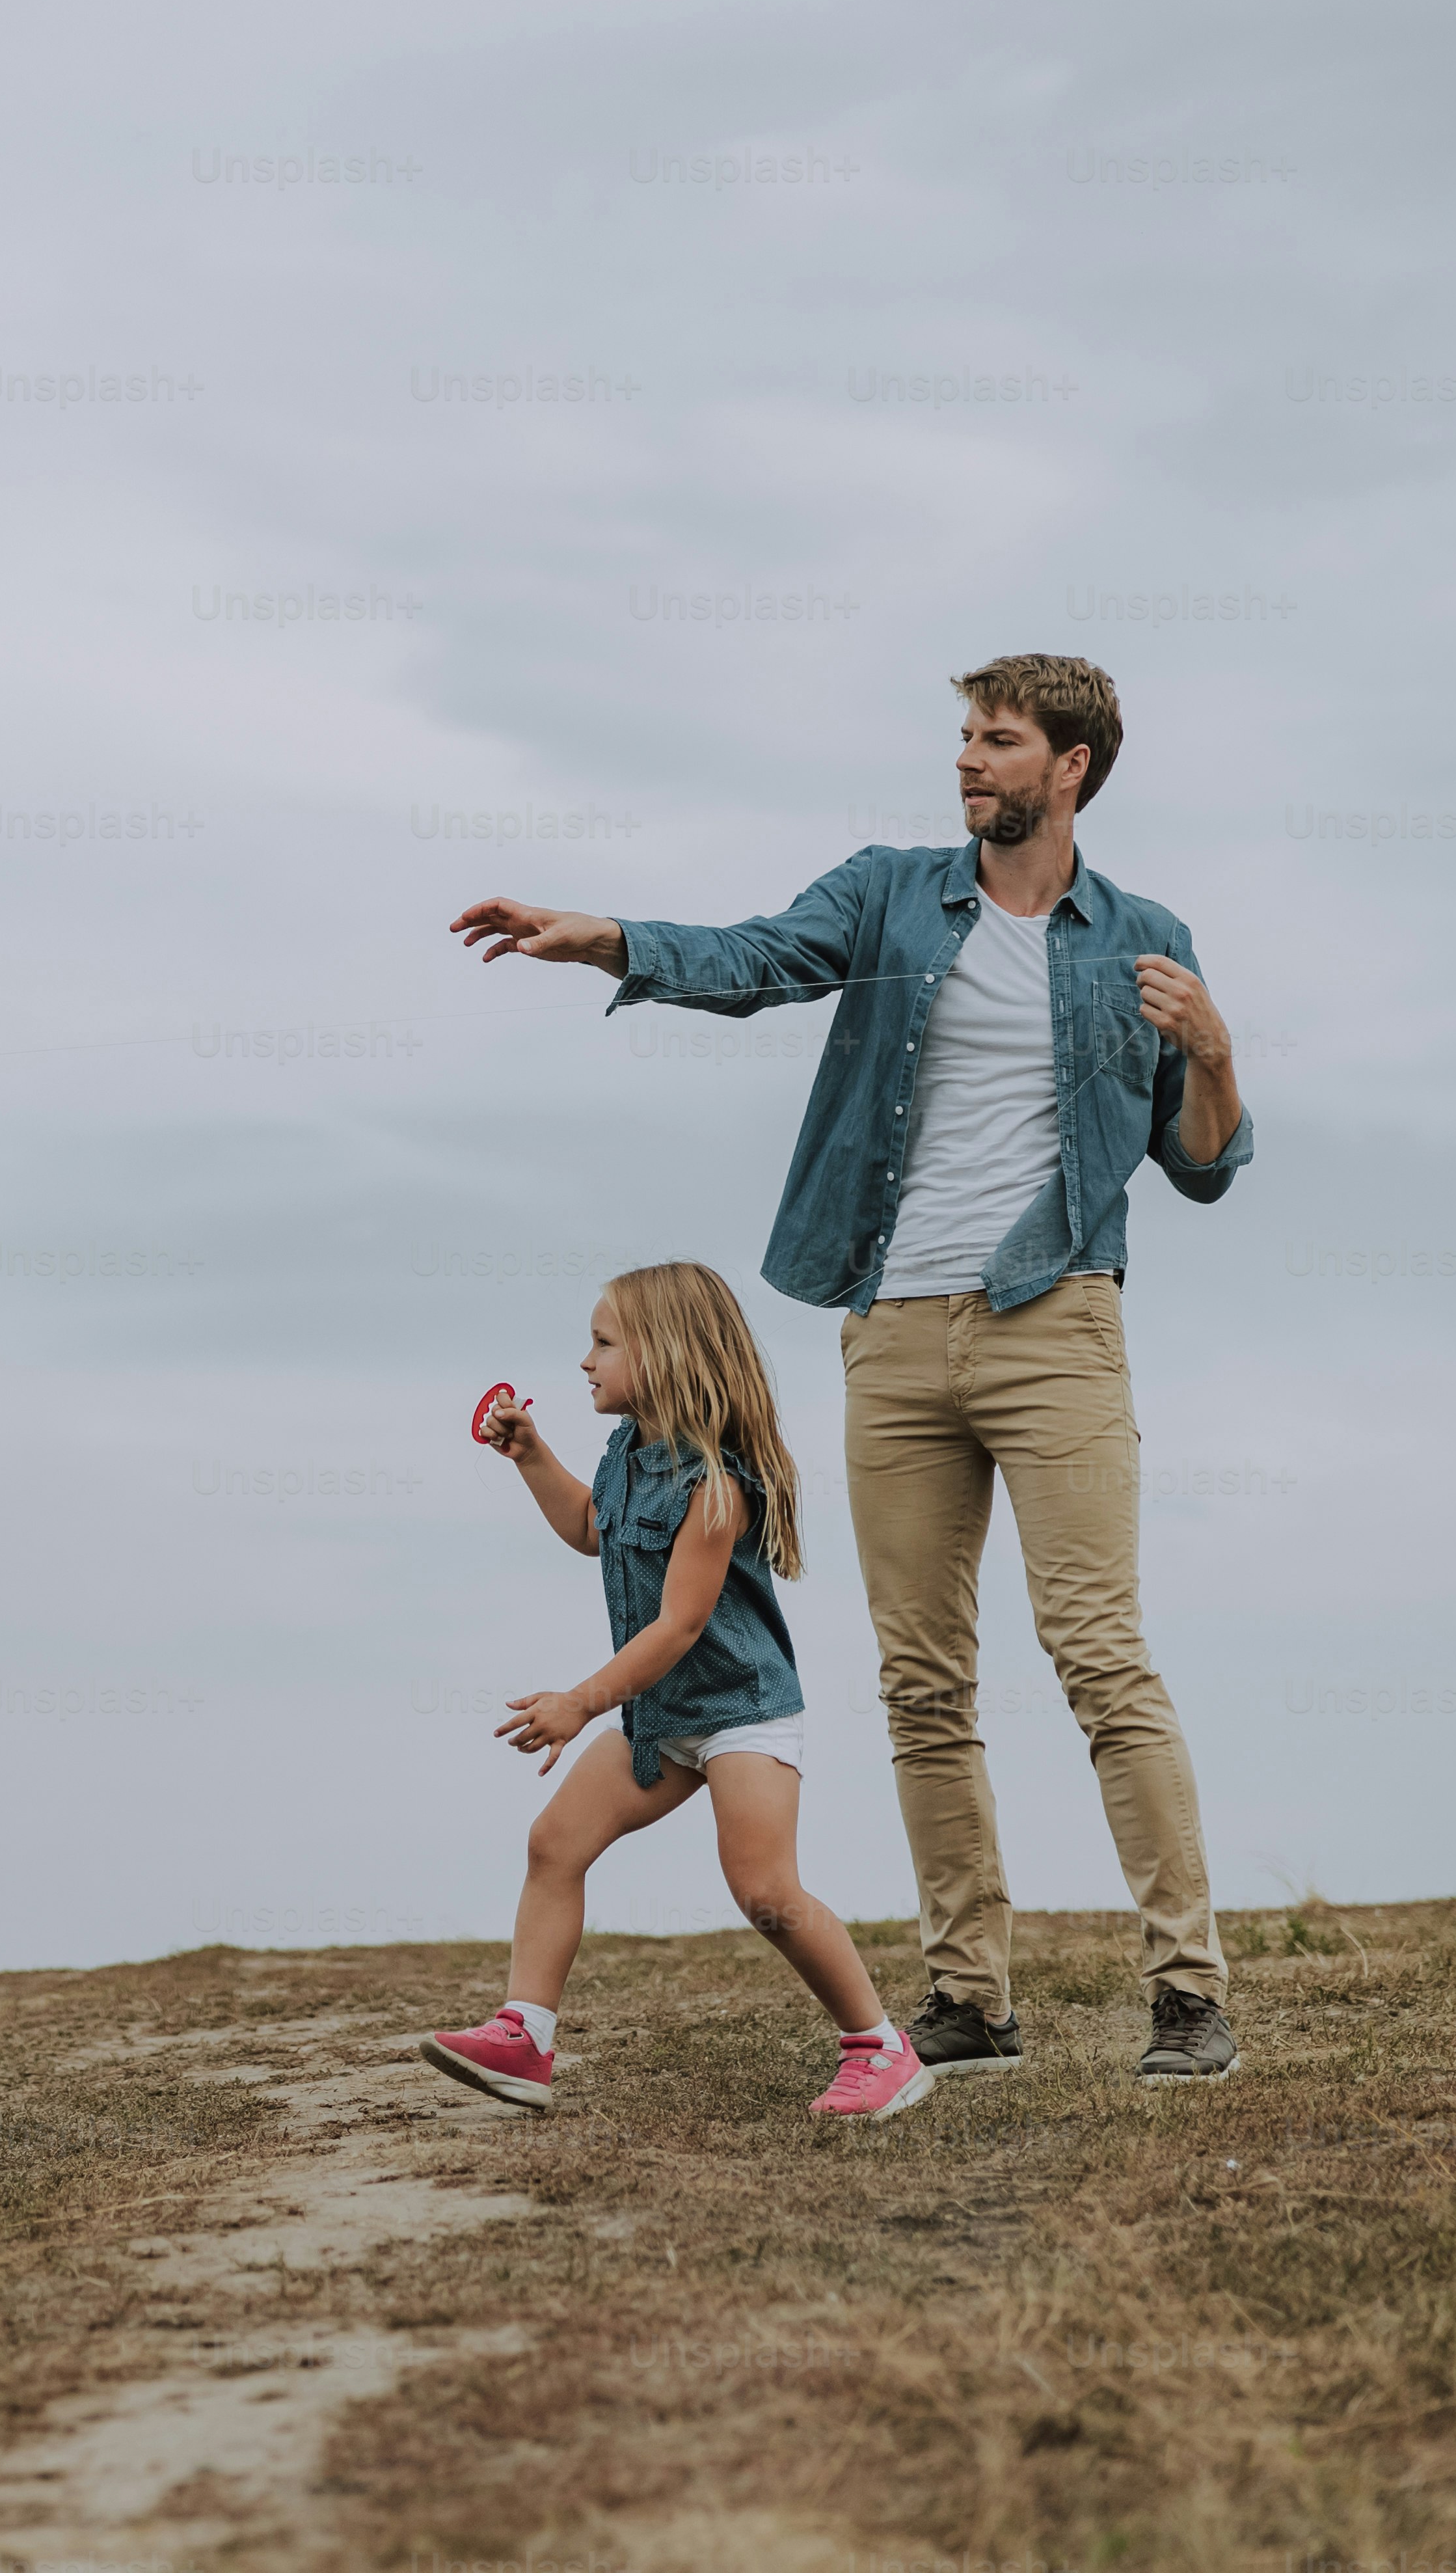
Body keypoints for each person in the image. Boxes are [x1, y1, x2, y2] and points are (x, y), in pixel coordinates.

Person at [448, 655, 1252, 2086]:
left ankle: (1187, 1987)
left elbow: (1200, 1168)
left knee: (1098, 1651)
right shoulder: (891, 894)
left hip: (1057, 1320)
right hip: (891, 1330)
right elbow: (760, 957)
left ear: (1071, 767)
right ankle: (966, 1994)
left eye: (999, 740)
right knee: (922, 1677)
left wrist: (1216, 1054)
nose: (969, 760)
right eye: (964, 736)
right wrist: (611, 938)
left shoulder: (1144, 939)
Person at [421, 1264, 928, 2121]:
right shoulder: (627, 1454)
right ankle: (526, 2036)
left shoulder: (716, 1487)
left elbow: (679, 1627)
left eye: (604, 1343)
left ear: (668, 1355)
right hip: (663, 1716)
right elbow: (591, 1528)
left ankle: (881, 2049)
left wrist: (581, 1702)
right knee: (555, 1844)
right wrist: (532, 1456)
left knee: (766, 1892)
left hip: (741, 1714)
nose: (586, 1362)